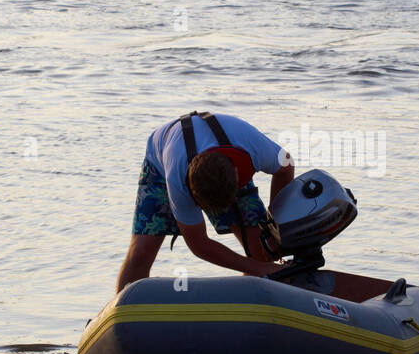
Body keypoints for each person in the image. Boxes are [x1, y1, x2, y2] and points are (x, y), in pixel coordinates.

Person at [116, 111, 294, 292]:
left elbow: (287, 167)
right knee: (141, 252)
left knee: (263, 252)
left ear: (237, 176)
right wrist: (259, 269)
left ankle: (249, 307)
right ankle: (121, 313)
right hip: (160, 161)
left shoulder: (252, 146)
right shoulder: (177, 179)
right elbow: (198, 244)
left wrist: (274, 227)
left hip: (228, 156)